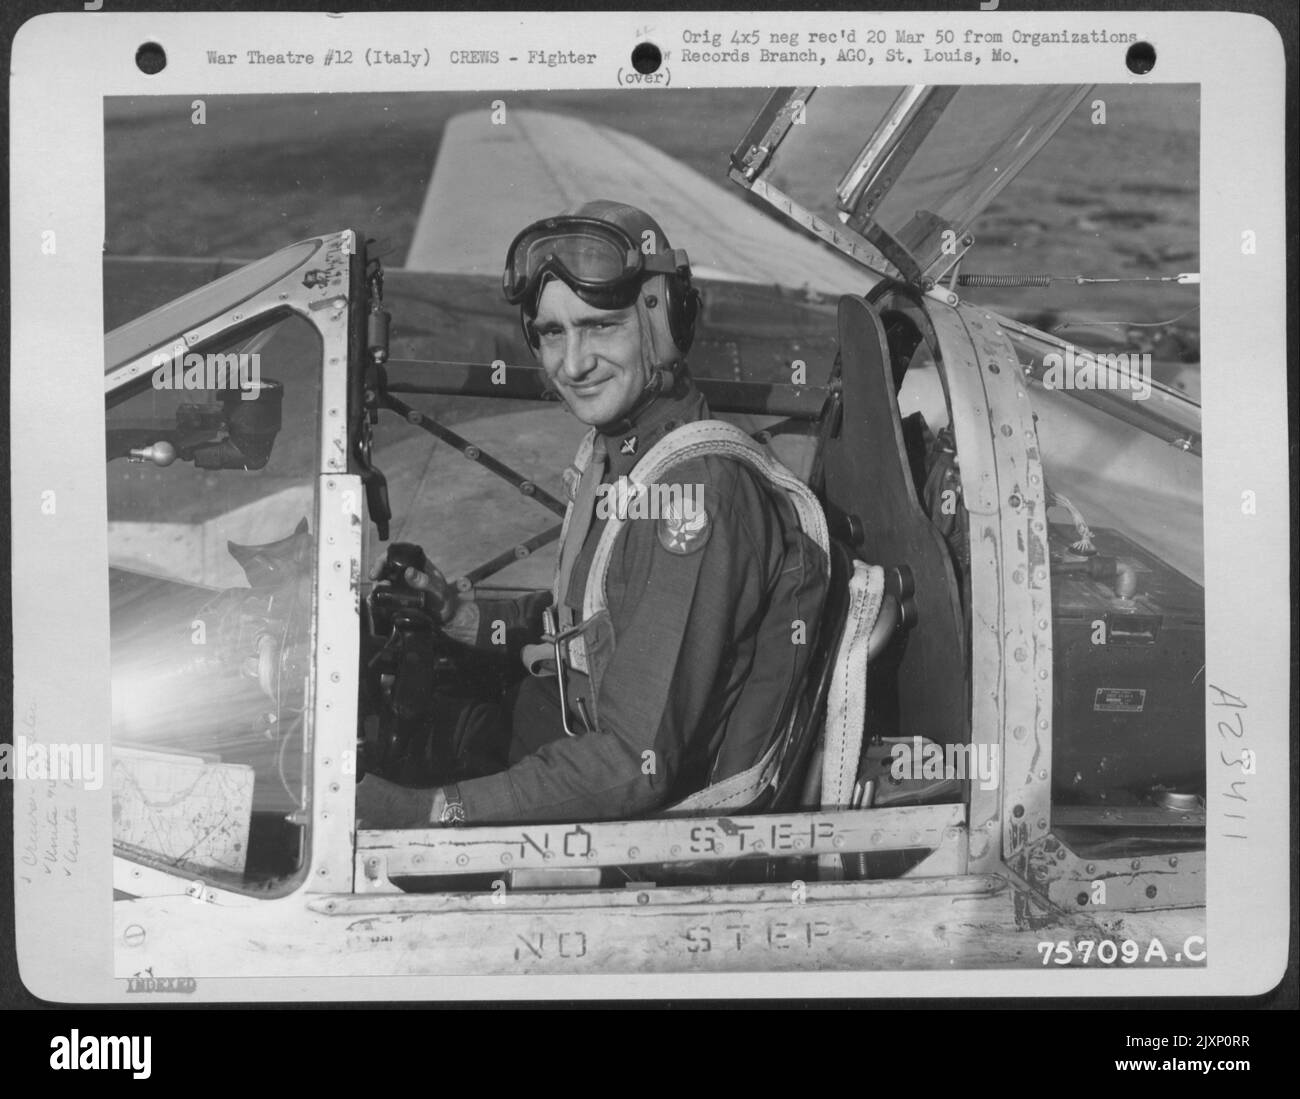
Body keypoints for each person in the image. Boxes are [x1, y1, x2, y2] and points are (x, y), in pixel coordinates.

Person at [356, 200, 829, 827]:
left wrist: (428, 812)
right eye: (553, 333)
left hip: (625, 820)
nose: (572, 364)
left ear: (662, 323)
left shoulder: (693, 495)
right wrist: (470, 620)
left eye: (601, 326)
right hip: (556, 736)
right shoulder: (621, 455)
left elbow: (634, 765)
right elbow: (603, 621)